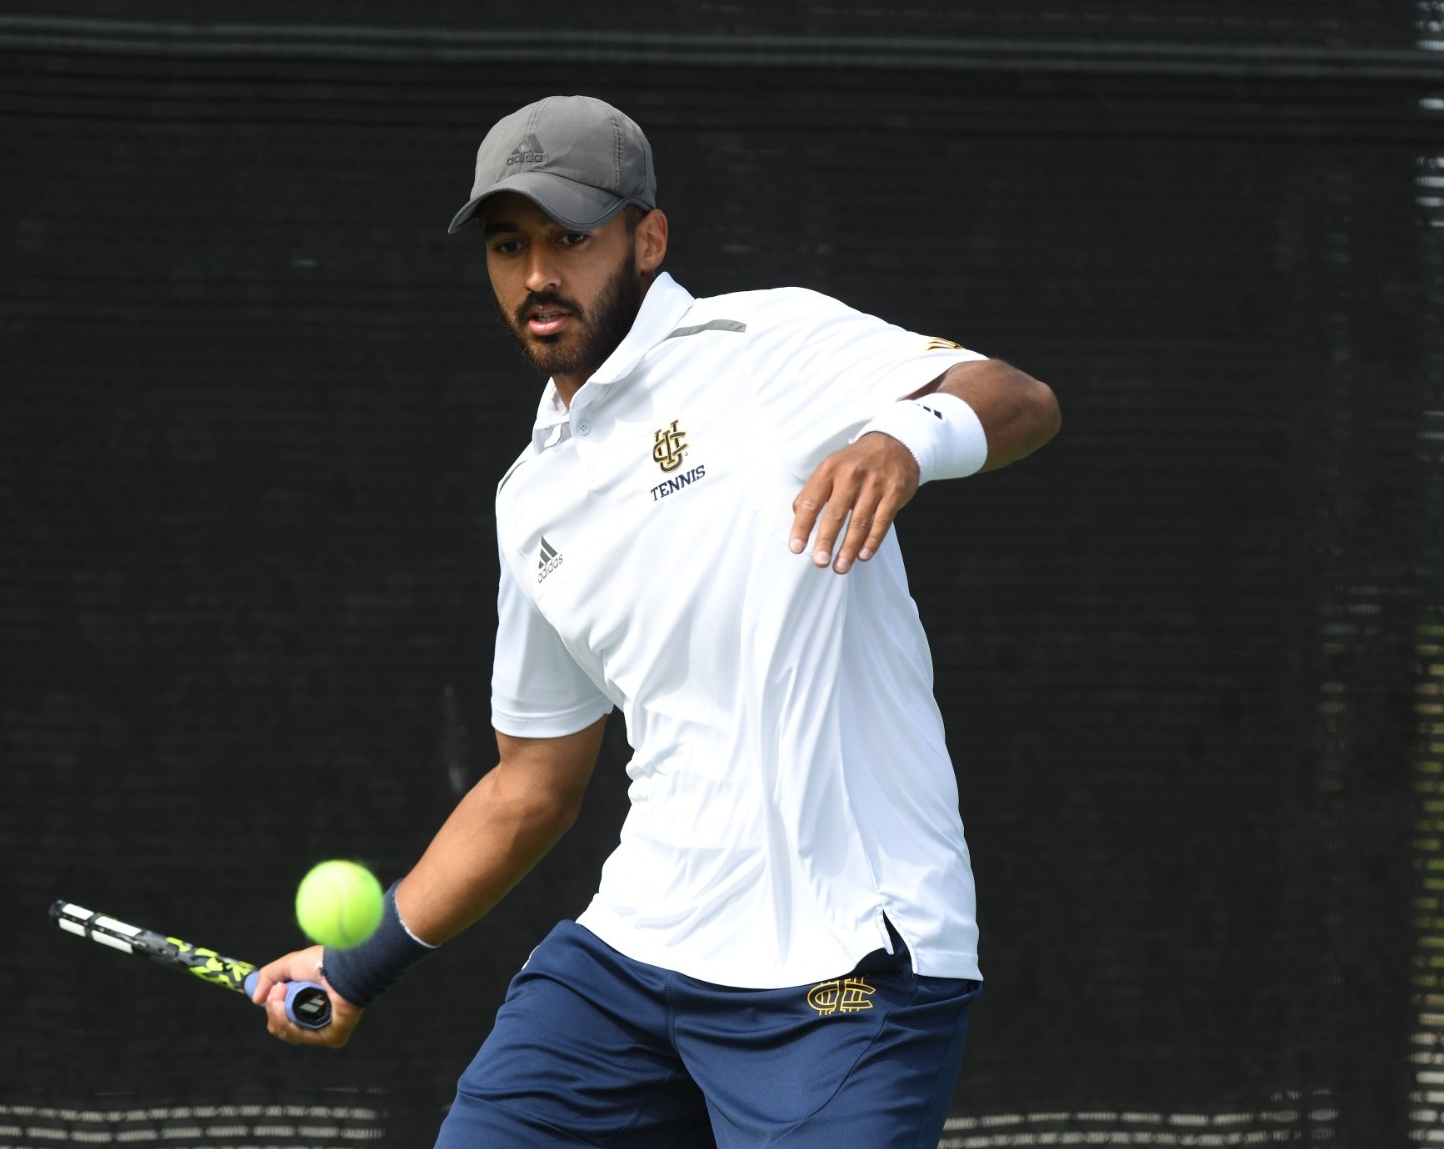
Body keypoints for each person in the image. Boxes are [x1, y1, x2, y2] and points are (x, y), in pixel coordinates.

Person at [254, 94, 1061, 1148]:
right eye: (509, 245)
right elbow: (528, 787)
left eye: (569, 238)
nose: (537, 274)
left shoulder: (759, 344)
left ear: (647, 237)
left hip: (839, 982)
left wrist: (904, 440)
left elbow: (1016, 397)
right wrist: (358, 965)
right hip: (631, 965)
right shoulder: (529, 498)